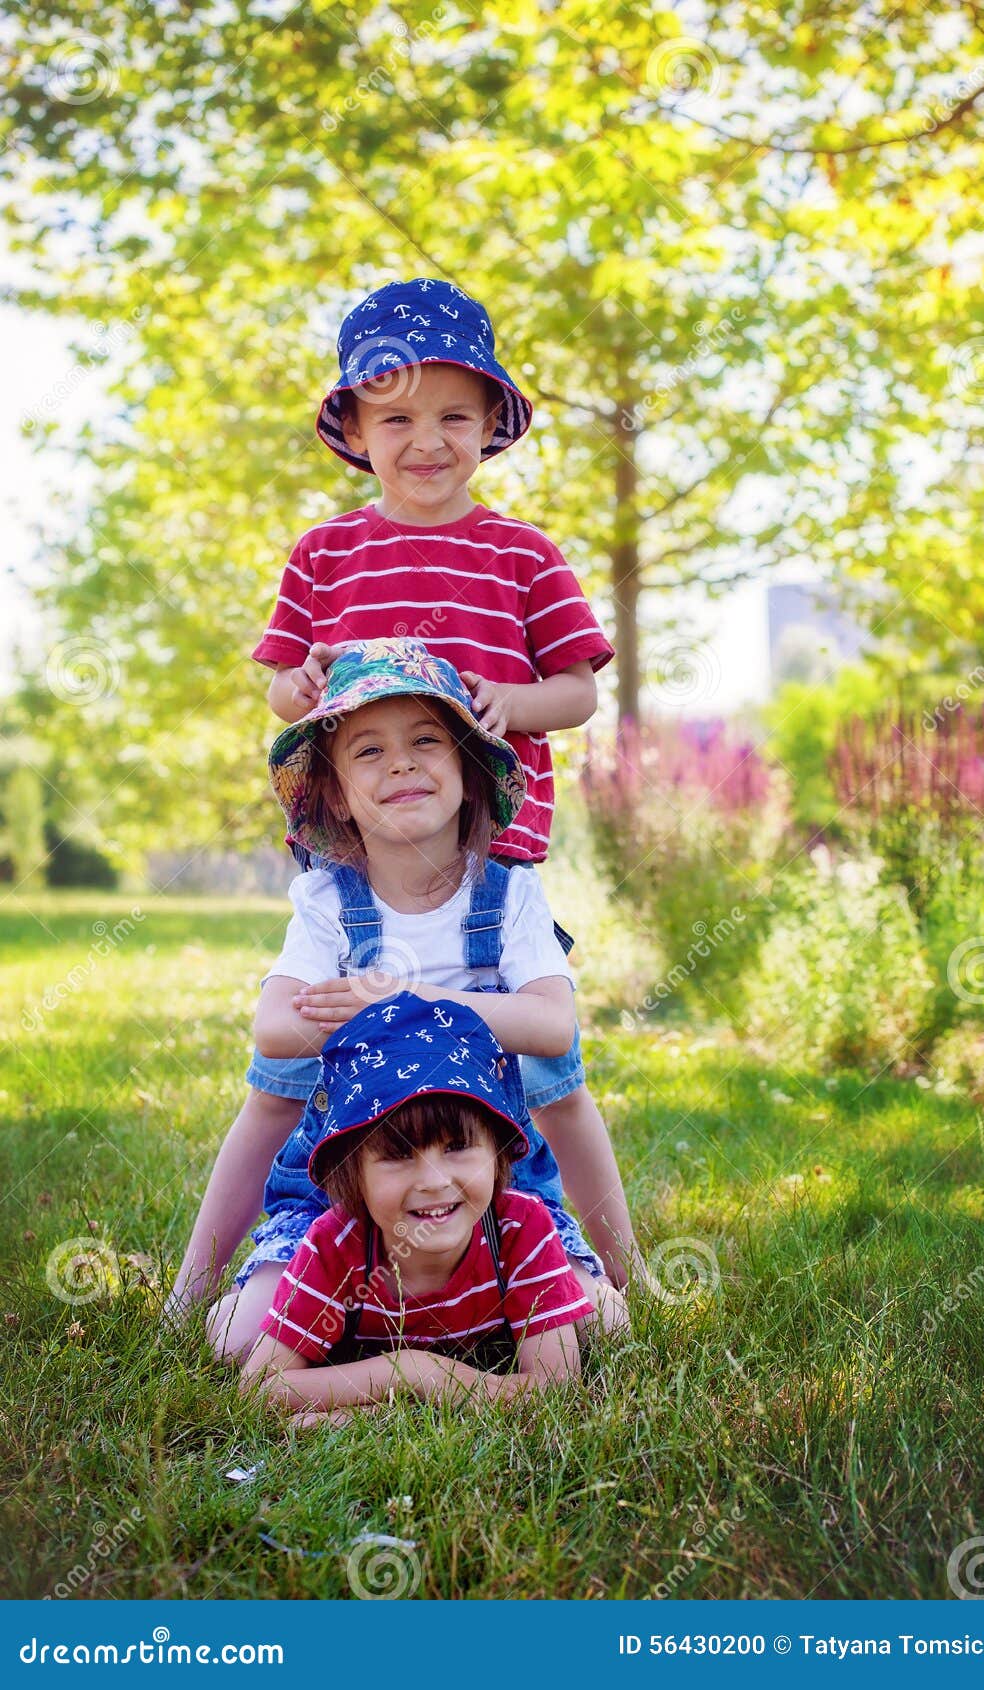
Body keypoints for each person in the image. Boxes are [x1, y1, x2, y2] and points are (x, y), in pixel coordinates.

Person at [167, 277, 639, 1323]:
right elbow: (287, 682)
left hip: (490, 843)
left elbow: (576, 688)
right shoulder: (325, 553)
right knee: (285, 1076)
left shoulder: (521, 553)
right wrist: (294, 689)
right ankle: (210, 1277)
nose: (426, 440)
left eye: (452, 417)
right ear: (354, 429)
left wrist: (507, 698)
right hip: (360, 859)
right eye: (397, 418)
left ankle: (615, 1265)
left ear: (490, 427)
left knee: (550, 1073)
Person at [199, 639, 629, 1360]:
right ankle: (402, 1308)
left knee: (605, 1329)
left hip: (498, 1194)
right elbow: (274, 1031)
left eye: (426, 740)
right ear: (335, 792)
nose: (400, 762)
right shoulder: (326, 904)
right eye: (367, 751)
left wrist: (404, 997)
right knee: (232, 1341)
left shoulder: (510, 896)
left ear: (466, 767)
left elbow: (552, 1028)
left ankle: (440, 1301)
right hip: (344, 1200)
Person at [241, 994, 595, 1421]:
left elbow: (555, 1390)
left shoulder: (522, 1229)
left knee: (609, 1321)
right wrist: (403, 1371)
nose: (434, 1181)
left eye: (459, 1147)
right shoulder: (334, 1246)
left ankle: (600, 1289)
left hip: (494, 1305)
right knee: (232, 1336)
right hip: (370, 1320)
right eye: (399, 1154)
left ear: (498, 1150)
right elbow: (260, 1388)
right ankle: (239, 1301)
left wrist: (421, 1381)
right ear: (352, 1173)